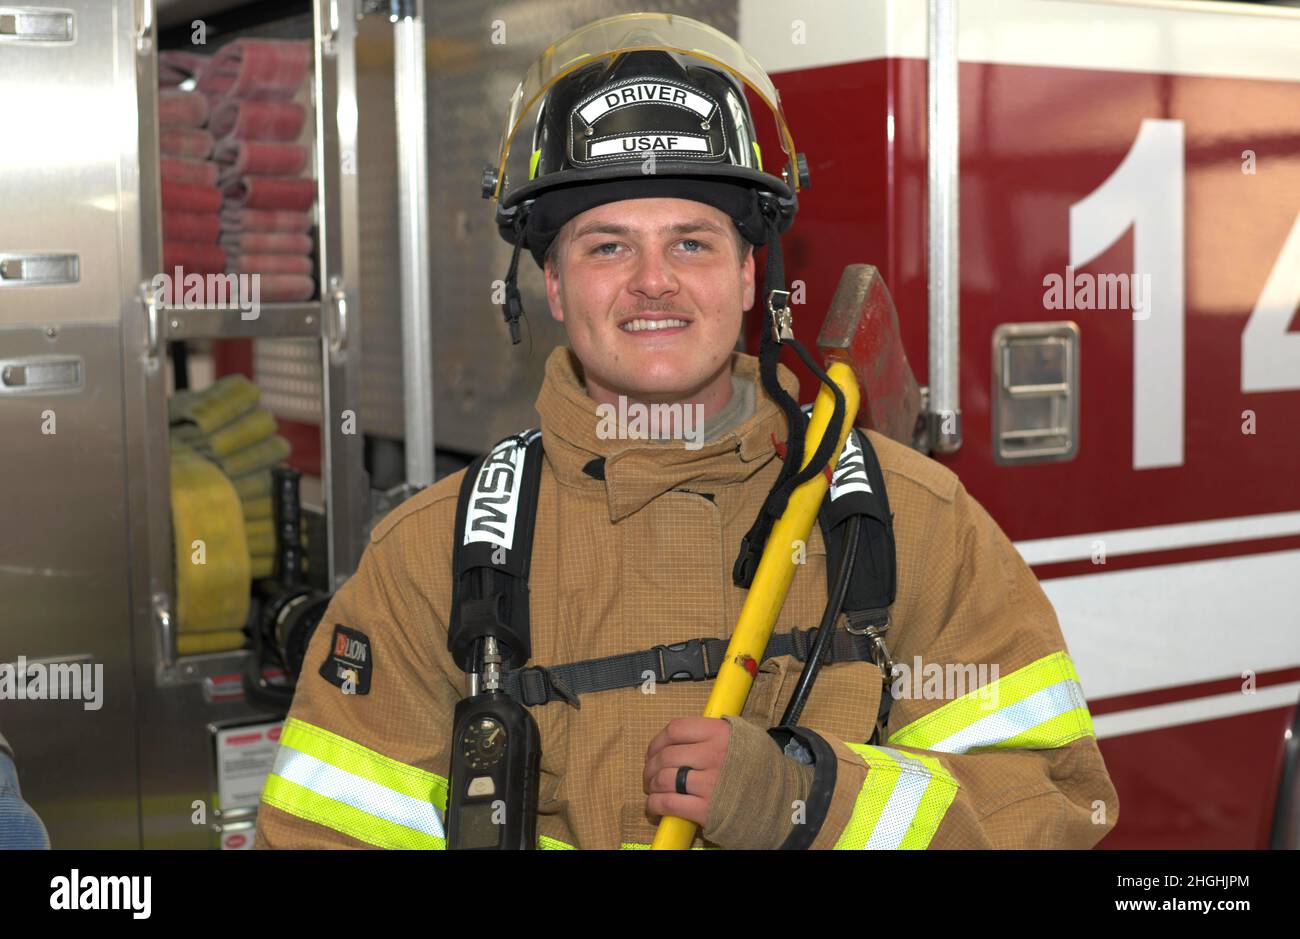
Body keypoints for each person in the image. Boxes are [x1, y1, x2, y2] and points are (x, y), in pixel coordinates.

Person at [255, 14, 1118, 850]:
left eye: (693, 243)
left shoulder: (914, 520)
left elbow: (1052, 808)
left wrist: (804, 798)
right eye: (607, 247)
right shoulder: (432, 558)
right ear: (552, 286)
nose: (654, 282)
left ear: (751, 275)